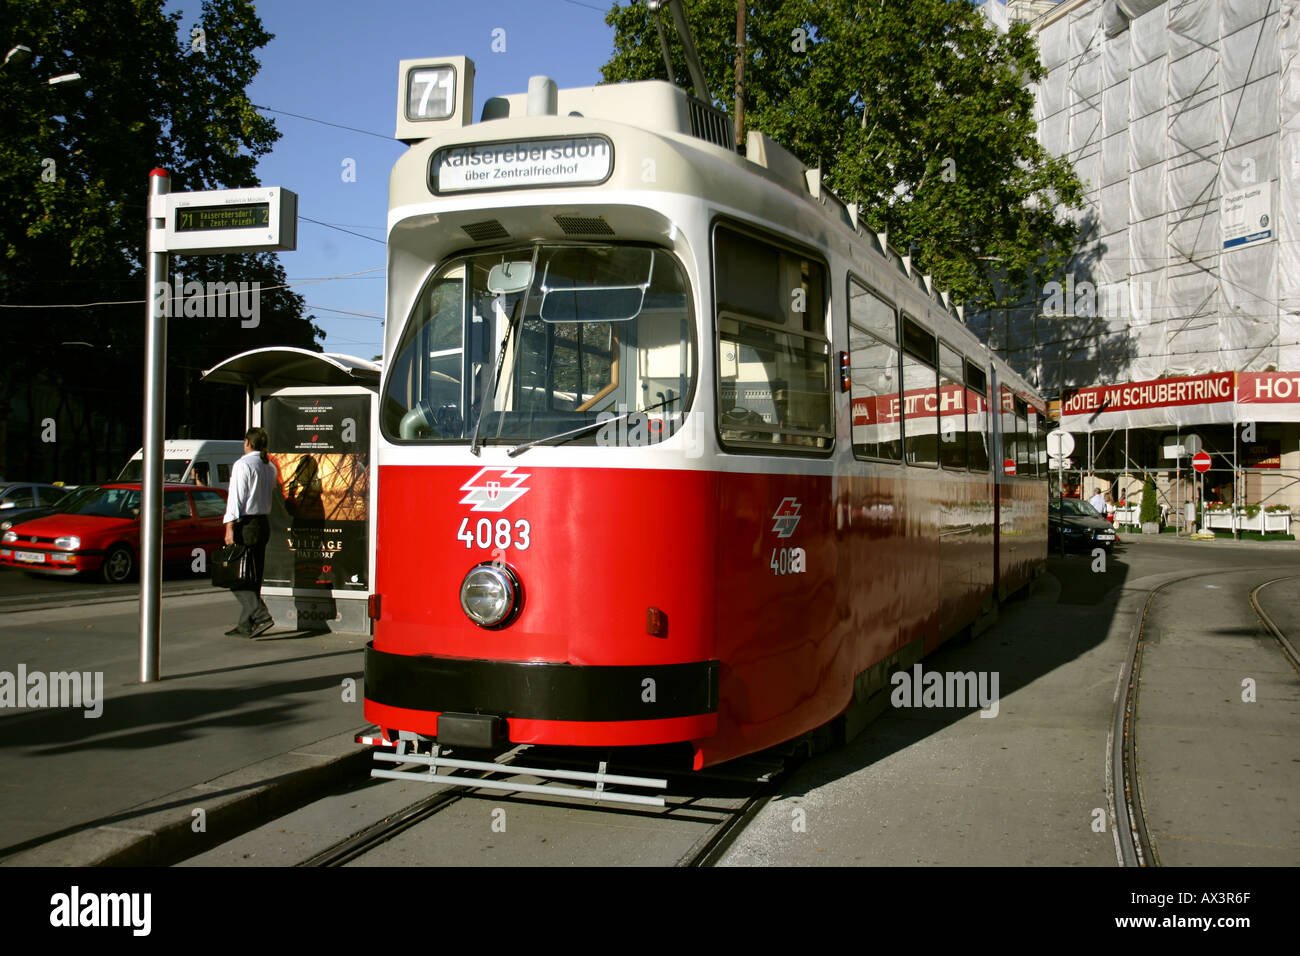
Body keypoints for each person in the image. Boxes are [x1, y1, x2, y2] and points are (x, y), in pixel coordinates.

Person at [223, 427, 277, 637]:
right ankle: (246, 624)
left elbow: (236, 498)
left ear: (248, 442)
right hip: (263, 524)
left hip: (245, 525)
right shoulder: (269, 466)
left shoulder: (243, 464)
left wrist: (229, 527)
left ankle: (261, 615)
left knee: (235, 576)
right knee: (253, 575)